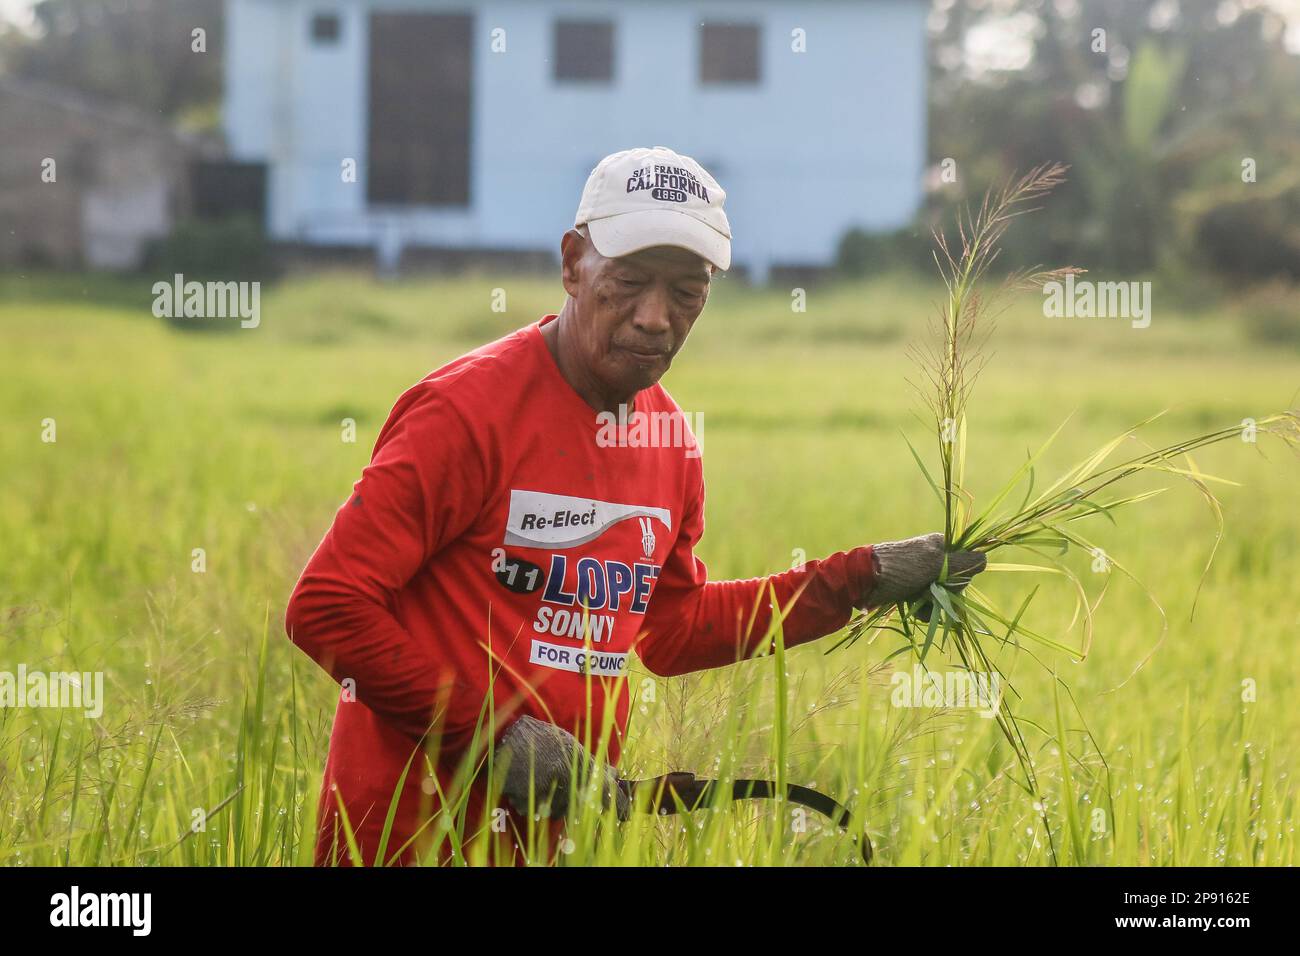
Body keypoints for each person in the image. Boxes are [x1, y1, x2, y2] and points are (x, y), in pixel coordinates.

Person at [285, 145, 986, 866]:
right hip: (407, 832)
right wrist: (486, 734)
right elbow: (326, 606)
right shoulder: (465, 414)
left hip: (549, 841)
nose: (656, 319)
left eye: (687, 292)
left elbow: (673, 629)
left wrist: (860, 579)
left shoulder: (670, 442)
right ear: (572, 264)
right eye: (628, 282)